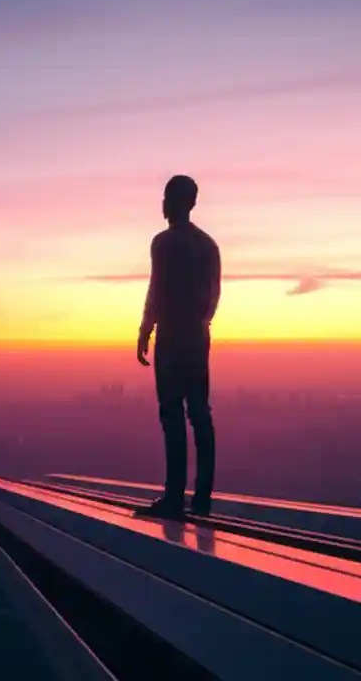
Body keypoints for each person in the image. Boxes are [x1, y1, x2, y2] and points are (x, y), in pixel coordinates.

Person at [135, 175, 221, 518]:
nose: (163, 203)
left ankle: (174, 497)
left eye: (166, 197)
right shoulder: (208, 245)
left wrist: (146, 328)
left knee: (172, 413)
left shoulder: (162, 243)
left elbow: (156, 290)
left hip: (172, 337)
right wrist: (200, 323)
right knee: (199, 413)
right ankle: (202, 498)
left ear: (174, 202)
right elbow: (214, 294)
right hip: (197, 338)